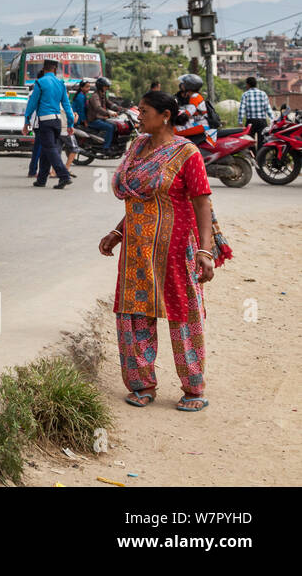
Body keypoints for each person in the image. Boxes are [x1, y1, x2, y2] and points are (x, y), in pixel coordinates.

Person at [98, 90, 233, 412]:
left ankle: (193, 387)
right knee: (134, 314)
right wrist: (118, 232)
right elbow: (141, 199)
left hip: (177, 249)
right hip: (137, 249)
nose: (139, 116)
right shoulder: (138, 148)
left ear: (165, 115)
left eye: (144, 111)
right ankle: (142, 384)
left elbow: (201, 202)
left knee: (183, 316)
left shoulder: (187, 153)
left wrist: (205, 250)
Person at [21, 59, 74, 188]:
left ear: (44, 69)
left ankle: (64, 176)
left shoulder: (40, 83)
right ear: (55, 69)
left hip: (45, 121)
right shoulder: (60, 83)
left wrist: (26, 121)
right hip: (57, 121)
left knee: (50, 149)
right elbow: (67, 105)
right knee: (46, 150)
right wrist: (70, 124)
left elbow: (32, 104)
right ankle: (41, 180)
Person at [175, 73, 215, 145]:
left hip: (202, 124)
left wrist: (176, 116)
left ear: (188, 86)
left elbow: (188, 113)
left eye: (183, 83)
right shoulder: (194, 96)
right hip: (199, 122)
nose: (181, 85)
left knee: (174, 131)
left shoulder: (195, 97)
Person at [86, 76, 121, 152]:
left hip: (100, 118)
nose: (107, 88)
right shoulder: (95, 96)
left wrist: (119, 108)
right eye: (105, 86)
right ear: (100, 86)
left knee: (115, 125)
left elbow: (109, 103)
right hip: (94, 120)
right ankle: (106, 147)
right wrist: (109, 113)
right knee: (110, 127)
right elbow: (98, 108)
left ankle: (112, 143)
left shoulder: (102, 94)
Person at [238, 76, 272, 148]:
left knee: (249, 141)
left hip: (250, 122)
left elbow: (242, 109)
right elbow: (268, 108)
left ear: (248, 85)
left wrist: (240, 121)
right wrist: (272, 120)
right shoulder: (263, 94)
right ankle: (260, 158)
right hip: (262, 122)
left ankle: (252, 157)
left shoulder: (245, 94)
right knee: (262, 141)